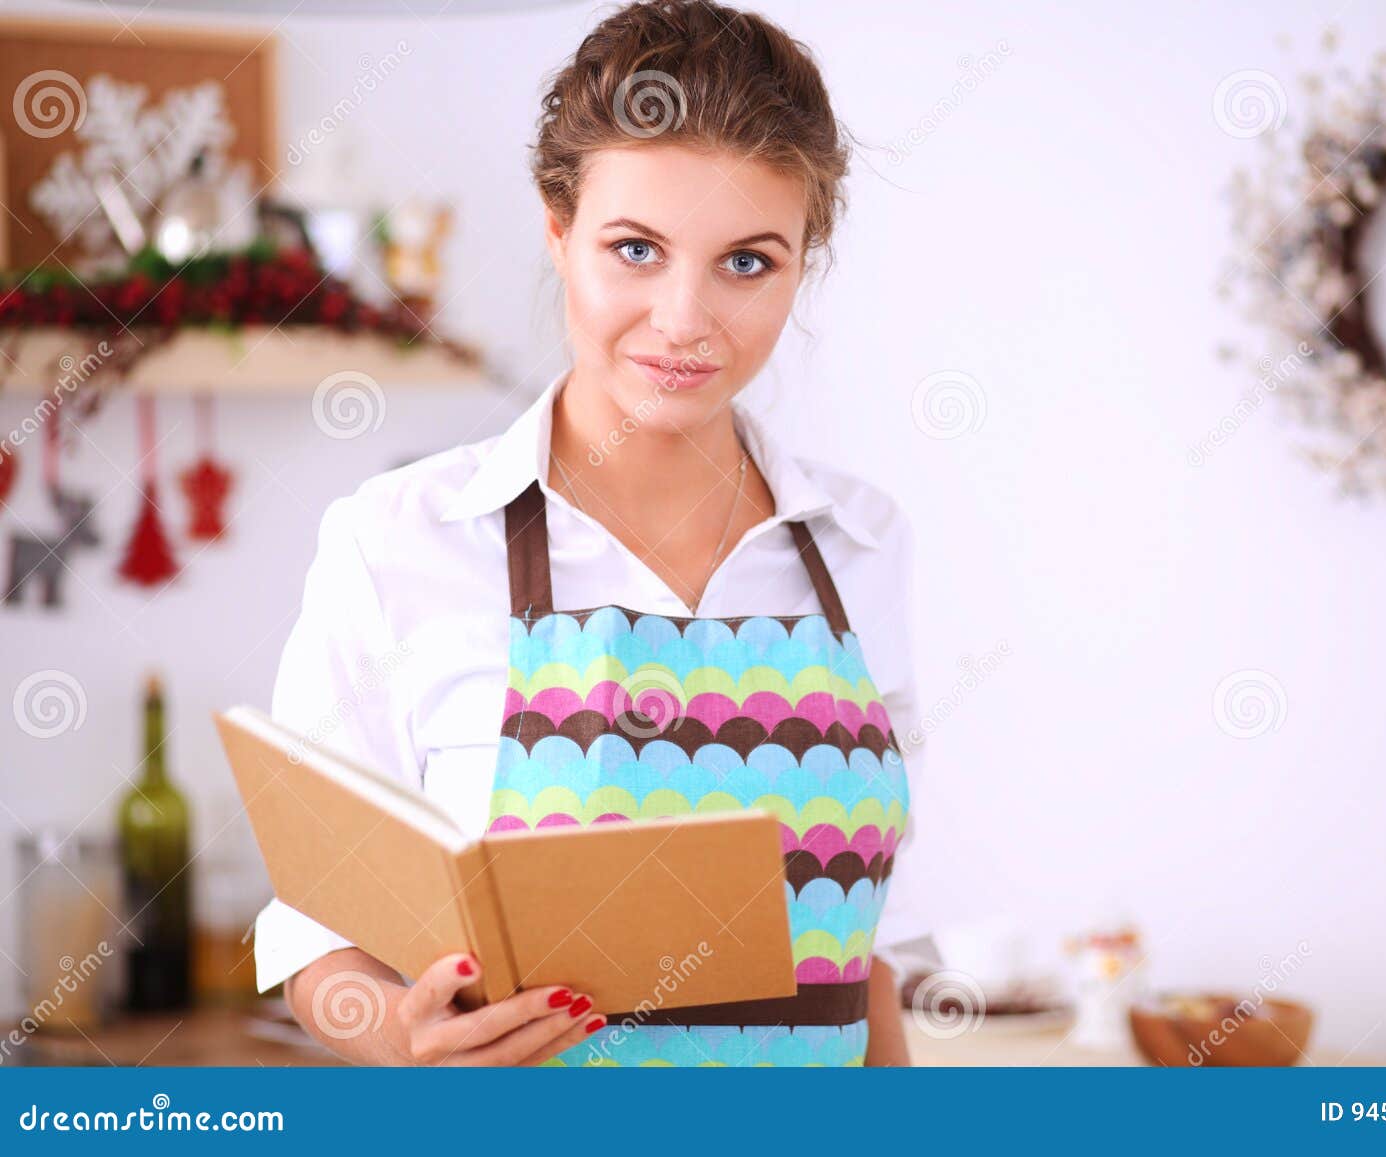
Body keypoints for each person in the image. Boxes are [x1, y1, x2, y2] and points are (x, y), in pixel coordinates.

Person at [254, 0, 924, 1066]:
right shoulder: (400, 542)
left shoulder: (859, 541)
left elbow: (867, 966)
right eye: (636, 248)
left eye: (747, 262)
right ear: (558, 230)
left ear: (805, 260)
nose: (684, 319)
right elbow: (319, 942)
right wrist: (399, 1035)